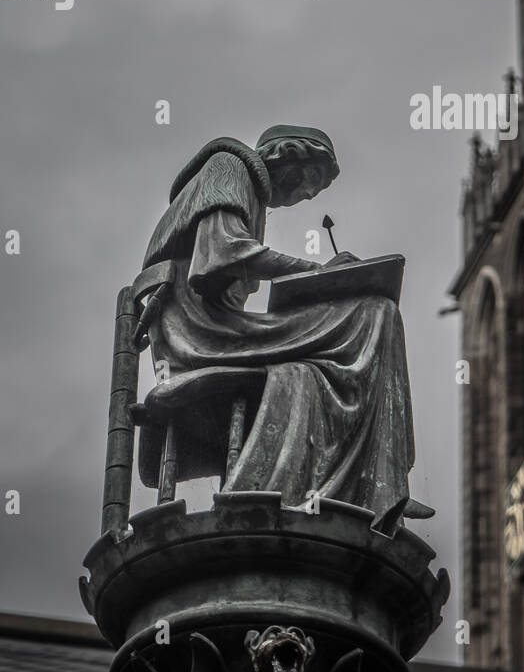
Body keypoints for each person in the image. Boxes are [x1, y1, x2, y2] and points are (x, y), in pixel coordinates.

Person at [135, 125, 430, 535]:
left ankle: (379, 478)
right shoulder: (230, 166)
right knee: (375, 314)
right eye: (312, 179)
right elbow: (222, 254)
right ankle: (374, 480)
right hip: (195, 332)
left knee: (352, 336)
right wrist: (319, 273)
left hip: (215, 328)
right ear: (287, 153)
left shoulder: (248, 191)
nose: (308, 195)